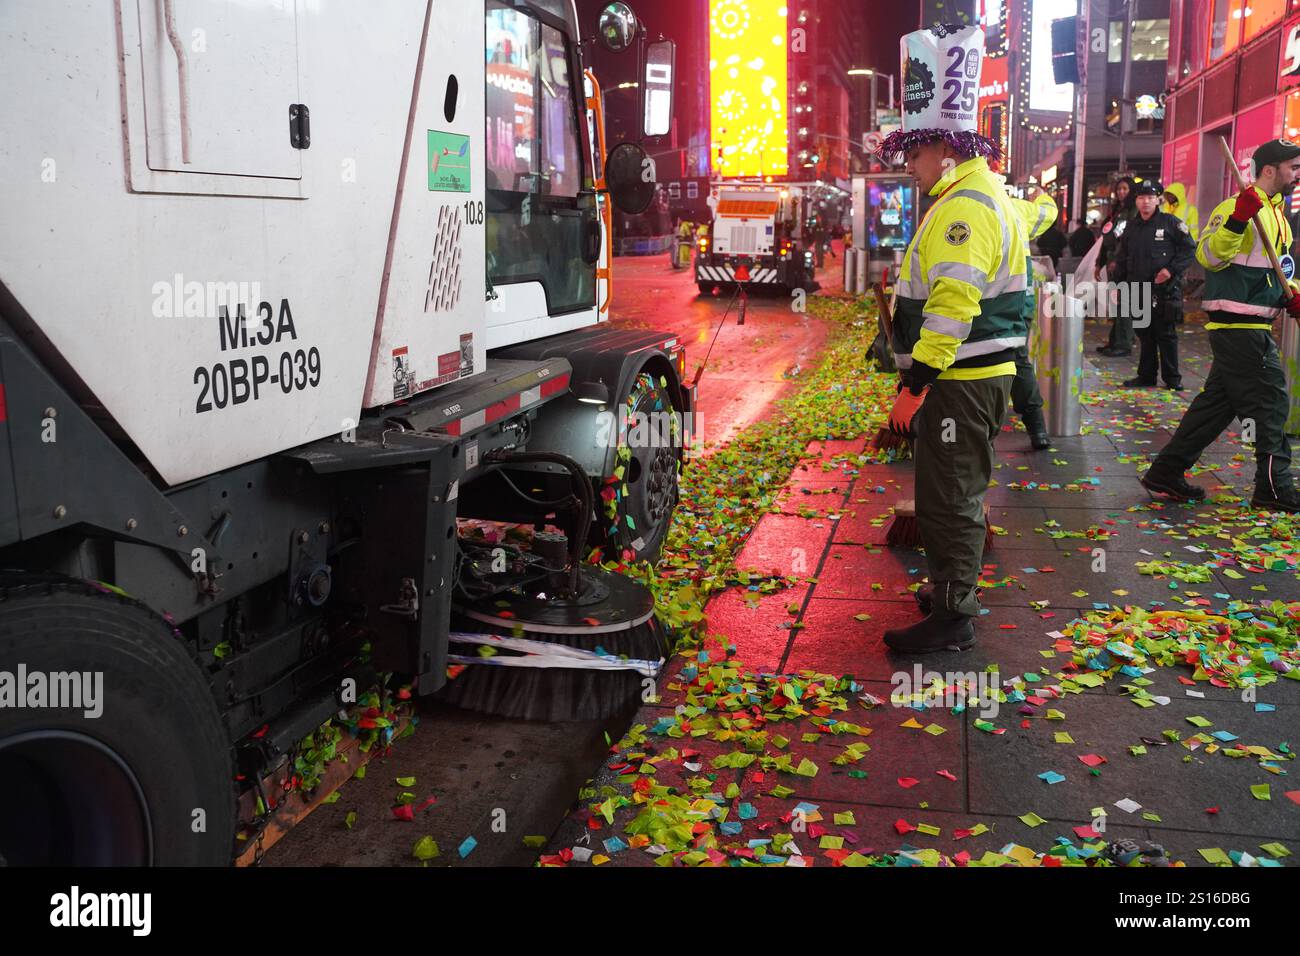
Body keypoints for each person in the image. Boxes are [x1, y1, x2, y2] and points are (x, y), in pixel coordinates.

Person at [879, 24, 1030, 654]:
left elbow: (951, 309)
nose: (909, 168)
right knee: (951, 490)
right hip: (971, 378)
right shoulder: (977, 194)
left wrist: (914, 386)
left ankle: (952, 613)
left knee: (949, 498)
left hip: (959, 381)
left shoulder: (963, 207)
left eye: (914, 154)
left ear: (943, 147)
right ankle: (948, 588)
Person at [1141, 139, 1300, 512]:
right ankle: (1273, 489)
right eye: (1293, 167)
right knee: (1272, 403)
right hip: (1237, 326)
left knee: (1215, 406)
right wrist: (1238, 219)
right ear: (1270, 169)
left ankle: (1165, 472)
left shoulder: (1279, 217)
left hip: (1254, 323)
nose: (1297, 174)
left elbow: (1276, 272)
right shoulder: (1236, 206)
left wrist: (1289, 294)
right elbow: (1208, 256)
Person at [1113, 179, 1196, 390]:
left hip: (1163, 291)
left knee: (1166, 335)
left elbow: (1188, 249)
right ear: (1137, 201)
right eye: (1141, 198)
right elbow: (1123, 258)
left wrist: (1171, 270)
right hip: (1137, 289)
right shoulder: (1132, 227)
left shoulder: (1171, 223)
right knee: (1144, 334)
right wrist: (1117, 286)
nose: (1145, 202)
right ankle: (1146, 376)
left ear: (1158, 199)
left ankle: (1172, 379)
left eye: (1150, 198)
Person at [1011, 189, 1058, 450]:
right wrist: (1041, 195)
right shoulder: (1016, 207)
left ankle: (980, 433)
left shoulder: (958, 207)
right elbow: (1047, 212)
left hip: (987, 303)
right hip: (1017, 301)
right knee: (1018, 360)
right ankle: (1036, 427)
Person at [1096, 176, 1137, 356]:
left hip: (1124, 263)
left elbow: (1127, 239)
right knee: (1117, 302)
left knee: (1124, 303)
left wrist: (1117, 260)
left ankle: (1123, 343)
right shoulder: (1117, 210)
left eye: (1125, 189)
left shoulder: (1133, 210)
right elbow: (1106, 239)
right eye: (1119, 189)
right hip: (1113, 261)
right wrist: (1100, 263)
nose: (1121, 192)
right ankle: (1115, 341)